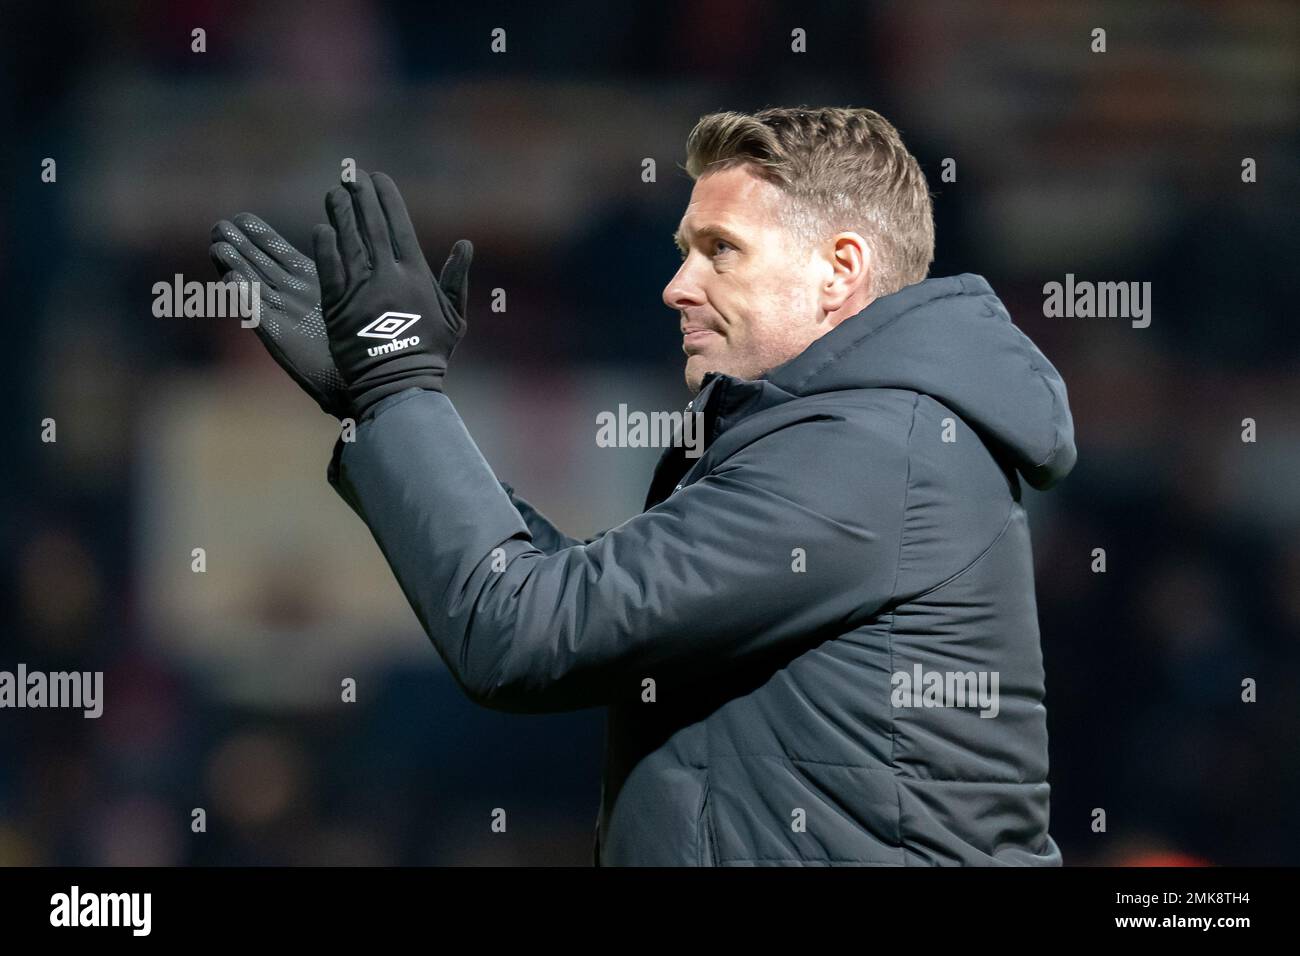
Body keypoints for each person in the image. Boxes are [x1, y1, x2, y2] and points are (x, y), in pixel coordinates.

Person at [210, 105, 1076, 866]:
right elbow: (570, 596)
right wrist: (382, 406)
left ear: (839, 270)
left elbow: (523, 632)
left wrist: (400, 388)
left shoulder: (874, 449)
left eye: (720, 252)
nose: (676, 286)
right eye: (683, 251)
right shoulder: (856, 435)